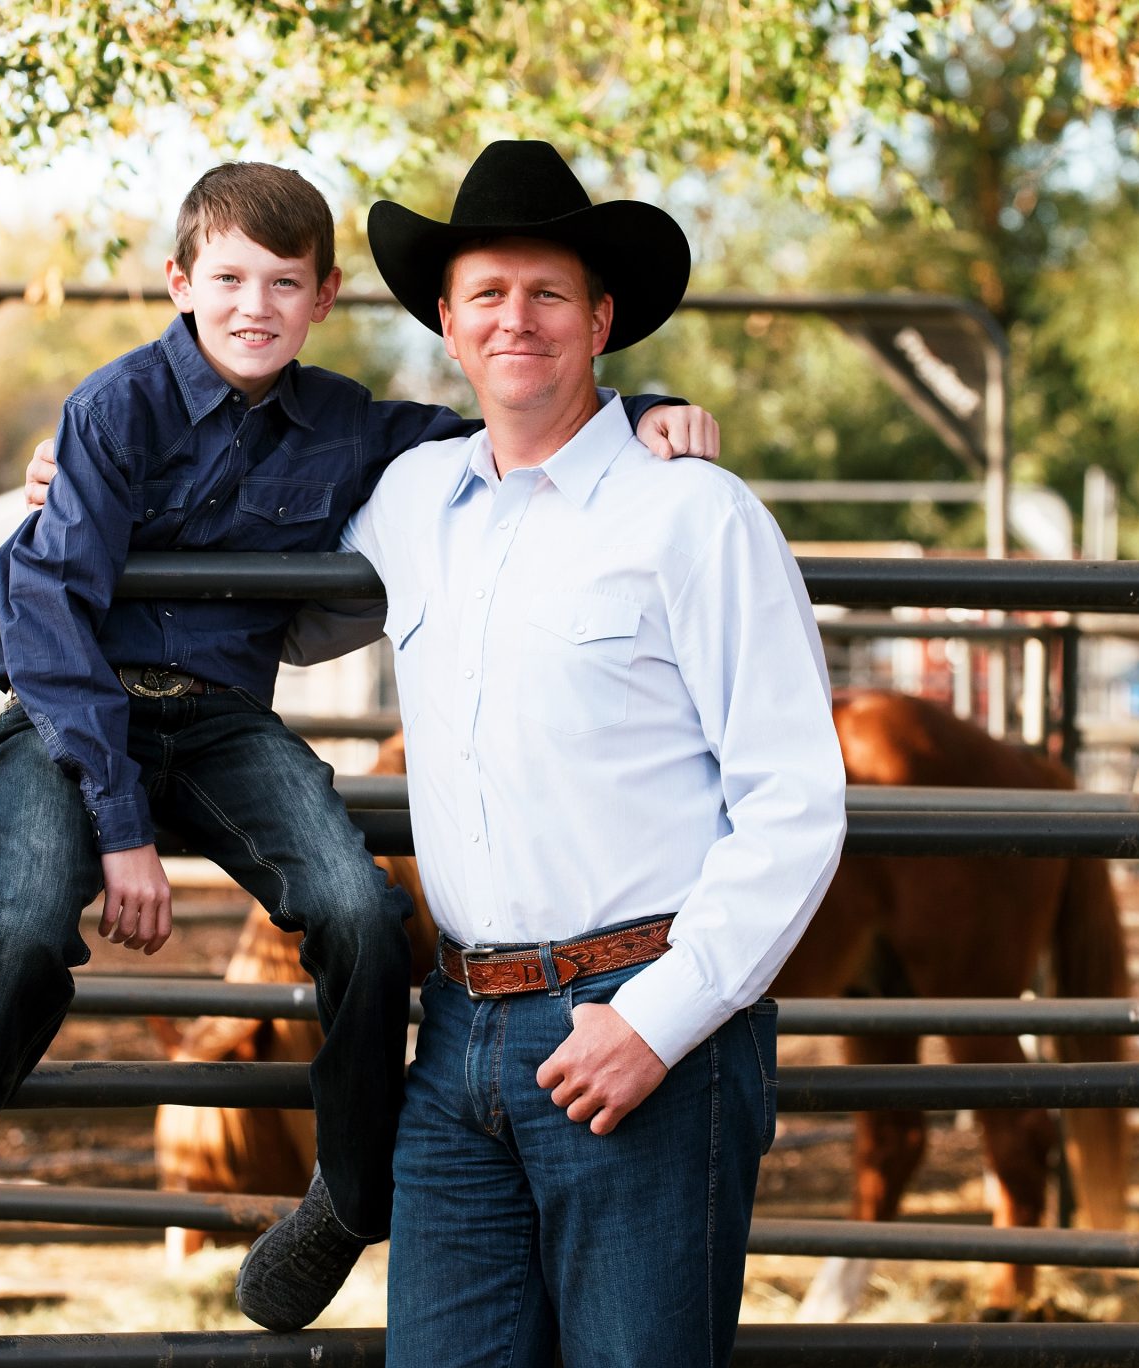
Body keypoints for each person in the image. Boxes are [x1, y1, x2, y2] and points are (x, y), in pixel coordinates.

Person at [0, 159, 718, 1347]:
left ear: (325, 297)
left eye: (283, 282)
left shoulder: (346, 425)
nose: (252, 306)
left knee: (363, 916)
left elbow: (516, 419)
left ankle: (346, 1195)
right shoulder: (113, 410)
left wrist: (642, 412)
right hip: (75, 715)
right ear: (179, 283)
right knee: (19, 924)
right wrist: (120, 828)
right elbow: (48, 614)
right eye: (226, 279)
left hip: (219, 720)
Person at [279, 140, 848, 1366]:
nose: (514, 319)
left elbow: (794, 799)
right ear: (446, 320)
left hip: (640, 1025)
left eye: (547, 294)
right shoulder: (407, 501)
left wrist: (661, 1017)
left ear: (601, 321)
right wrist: (82, 482)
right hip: (458, 1039)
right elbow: (240, 532)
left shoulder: (696, 515)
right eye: (486, 293)